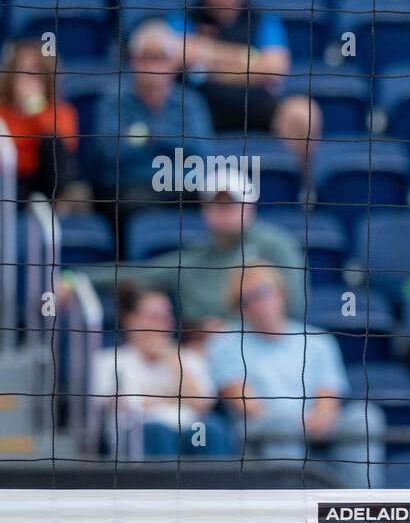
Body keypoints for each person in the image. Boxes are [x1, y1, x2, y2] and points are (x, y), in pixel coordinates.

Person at [207, 264, 385, 489]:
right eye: (244, 299)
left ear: (281, 293)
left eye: (262, 293)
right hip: (260, 428)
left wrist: (319, 417)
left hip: (312, 424)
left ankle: (360, 505)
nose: (255, 304)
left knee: (364, 417)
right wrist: (293, 422)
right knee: (281, 426)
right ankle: (290, 507)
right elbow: (245, 403)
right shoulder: (226, 343)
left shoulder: (318, 340)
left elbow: (328, 397)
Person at [78, 170, 306, 335]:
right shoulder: (194, 258)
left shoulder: (276, 245)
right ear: (205, 210)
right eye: (217, 204)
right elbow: (139, 273)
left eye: (232, 204)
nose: (224, 212)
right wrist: (75, 280)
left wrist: (233, 330)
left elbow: (294, 309)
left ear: (249, 207)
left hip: (265, 350)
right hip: (201, 359)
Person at [167, 0, 320, 166]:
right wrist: (250, 59)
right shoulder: (183, 16)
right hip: (200, 106)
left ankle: (299, 192)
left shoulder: (262, 19)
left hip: (257, 106)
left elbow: (275, 69)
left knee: (303, 113)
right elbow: (177, 54)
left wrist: (207, 59)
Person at [88, 21, 213, 223]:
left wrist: (148, 137)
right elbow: (109, 155)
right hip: (132, 190)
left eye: (161, 58)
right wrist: (173, 149)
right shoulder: (113, 102)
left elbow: (202, 153)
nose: (154, 67)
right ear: (134, 61)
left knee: (217, 203)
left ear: (175, 63)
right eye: (147, 58)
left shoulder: (190, 103)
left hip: (183, 190)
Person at [91, 282, 229, 457]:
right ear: (131, 321)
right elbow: (125, 406)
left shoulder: (188, 358)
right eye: (155, 317)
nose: (165, 323)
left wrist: (172, 360)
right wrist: (175, 400)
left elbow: (202, 404)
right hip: (137, 437)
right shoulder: (109, 360)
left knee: (210, 430)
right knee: (157, 432)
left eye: (167, 317)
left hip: (188, 433)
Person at [0, 39, 80, 201]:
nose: (28, 79)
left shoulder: (62, 112)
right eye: (23, 71)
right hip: (9, 182)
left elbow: (65, 149)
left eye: (36, 72)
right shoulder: (2, 112)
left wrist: (36, 109)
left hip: (46, 186)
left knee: (52, 141)